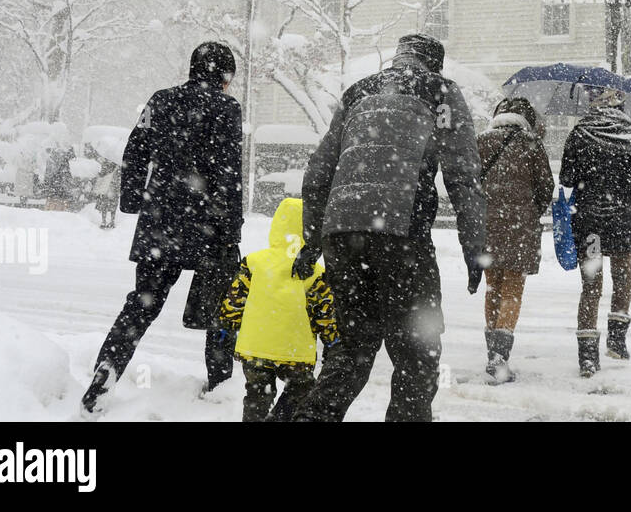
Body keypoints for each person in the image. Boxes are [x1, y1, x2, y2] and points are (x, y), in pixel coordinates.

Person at [293, 33, 486, 422]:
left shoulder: (356, 93)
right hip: (401, 231)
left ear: (397, 59)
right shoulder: (440, 90)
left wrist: (313, 240)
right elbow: (463, 173)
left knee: (352, 348)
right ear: (435, 64)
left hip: (341, 232)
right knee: (417, 350)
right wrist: (474, 246)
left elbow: (318, 173)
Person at [80, 42, 245, 416]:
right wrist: (232, 229)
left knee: (142, 302)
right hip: (209, 225)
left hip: (162, 222)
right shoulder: (226, 108)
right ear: (224, 75)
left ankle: (108, 368)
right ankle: (219, 385)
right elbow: (231, 171)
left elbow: (135, 150)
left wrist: (134, 200)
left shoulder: (161, 100)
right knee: (220, 312)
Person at [561, 87, 631, 377]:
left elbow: (567, 177)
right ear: (620, 103)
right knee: (622, 278)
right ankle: (617, 341)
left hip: (589, 221)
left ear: (592, 102)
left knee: (591, 287)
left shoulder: (580, 132)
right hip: (623, 220)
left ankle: (588, 357)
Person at [217, 197, 340, 422]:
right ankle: (279, 417)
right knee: (301, 390)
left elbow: (235, 300)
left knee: (256, 394)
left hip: (255, 348)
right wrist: (332, 339)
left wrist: (227, 323)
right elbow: (325, 312)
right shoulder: (313, 271)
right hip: (295, 350)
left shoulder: (254, 262)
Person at [477, 96, 554, 384]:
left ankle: (491, 352)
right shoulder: (531, 144)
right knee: (512, 290)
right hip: (520, 228)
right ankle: (499, 357)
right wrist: (530, 210)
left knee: (492, 287)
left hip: (486, 224)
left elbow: (468, 181)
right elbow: (546, 186)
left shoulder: (480, 141)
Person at [85, 142, 120, 230]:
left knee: (105, 204)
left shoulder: (106, 163)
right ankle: (112, 221)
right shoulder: (118, 165)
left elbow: (101, 172)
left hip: (106, 187)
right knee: (113, 205)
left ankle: (104, 221)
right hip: (113, 188)